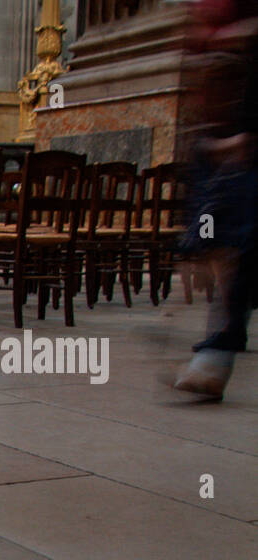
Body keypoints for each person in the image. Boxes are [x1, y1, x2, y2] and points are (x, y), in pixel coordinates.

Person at [172, 0, 258, 400]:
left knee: (243, 238)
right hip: (222, 129)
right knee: (223, 234)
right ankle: (223, 340)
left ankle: (220, 348)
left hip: (243, 118)